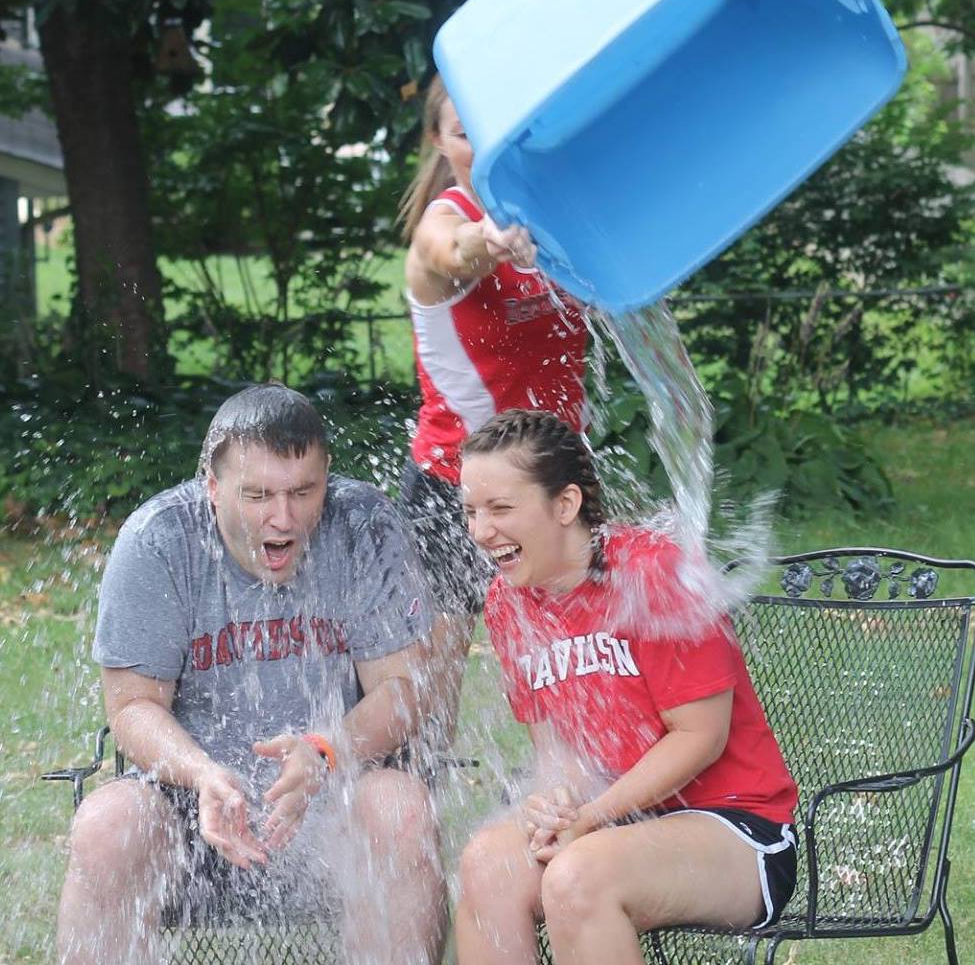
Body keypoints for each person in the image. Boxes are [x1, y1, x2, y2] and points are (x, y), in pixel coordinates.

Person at [56, 383, 445, 965]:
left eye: (302, 492)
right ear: (212, 488)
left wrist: (325, 749)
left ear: (327, 477)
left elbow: (405, 690)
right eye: (257, 495)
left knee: (402, 806)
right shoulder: (159, 540)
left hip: (335, 804)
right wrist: (201, 773)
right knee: (107, 822)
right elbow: (133, 706)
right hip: (190, 820)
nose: (282, 518)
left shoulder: (363, 525)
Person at [454, 409, 799, 965]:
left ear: (564, 505)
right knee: (485, 865)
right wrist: (557, 804)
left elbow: (700, 737)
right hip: (620, 824)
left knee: (576, 878)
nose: (480, 531)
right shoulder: (509, 603)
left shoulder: (652, 574)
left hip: (737, 828)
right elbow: (559, 752)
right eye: (471, 511)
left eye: (500, 508)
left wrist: (593, 817)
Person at [398, 75, 589, 746]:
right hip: (454, 489)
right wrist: (491, 240)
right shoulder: (440, 224)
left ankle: (572, 818)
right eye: (463, 132)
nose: (485, 143)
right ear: (438, 142)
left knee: (576, 664)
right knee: (429, 685)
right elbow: (448, 251)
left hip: (555, 485)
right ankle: (412, 821)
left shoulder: (564, 217)